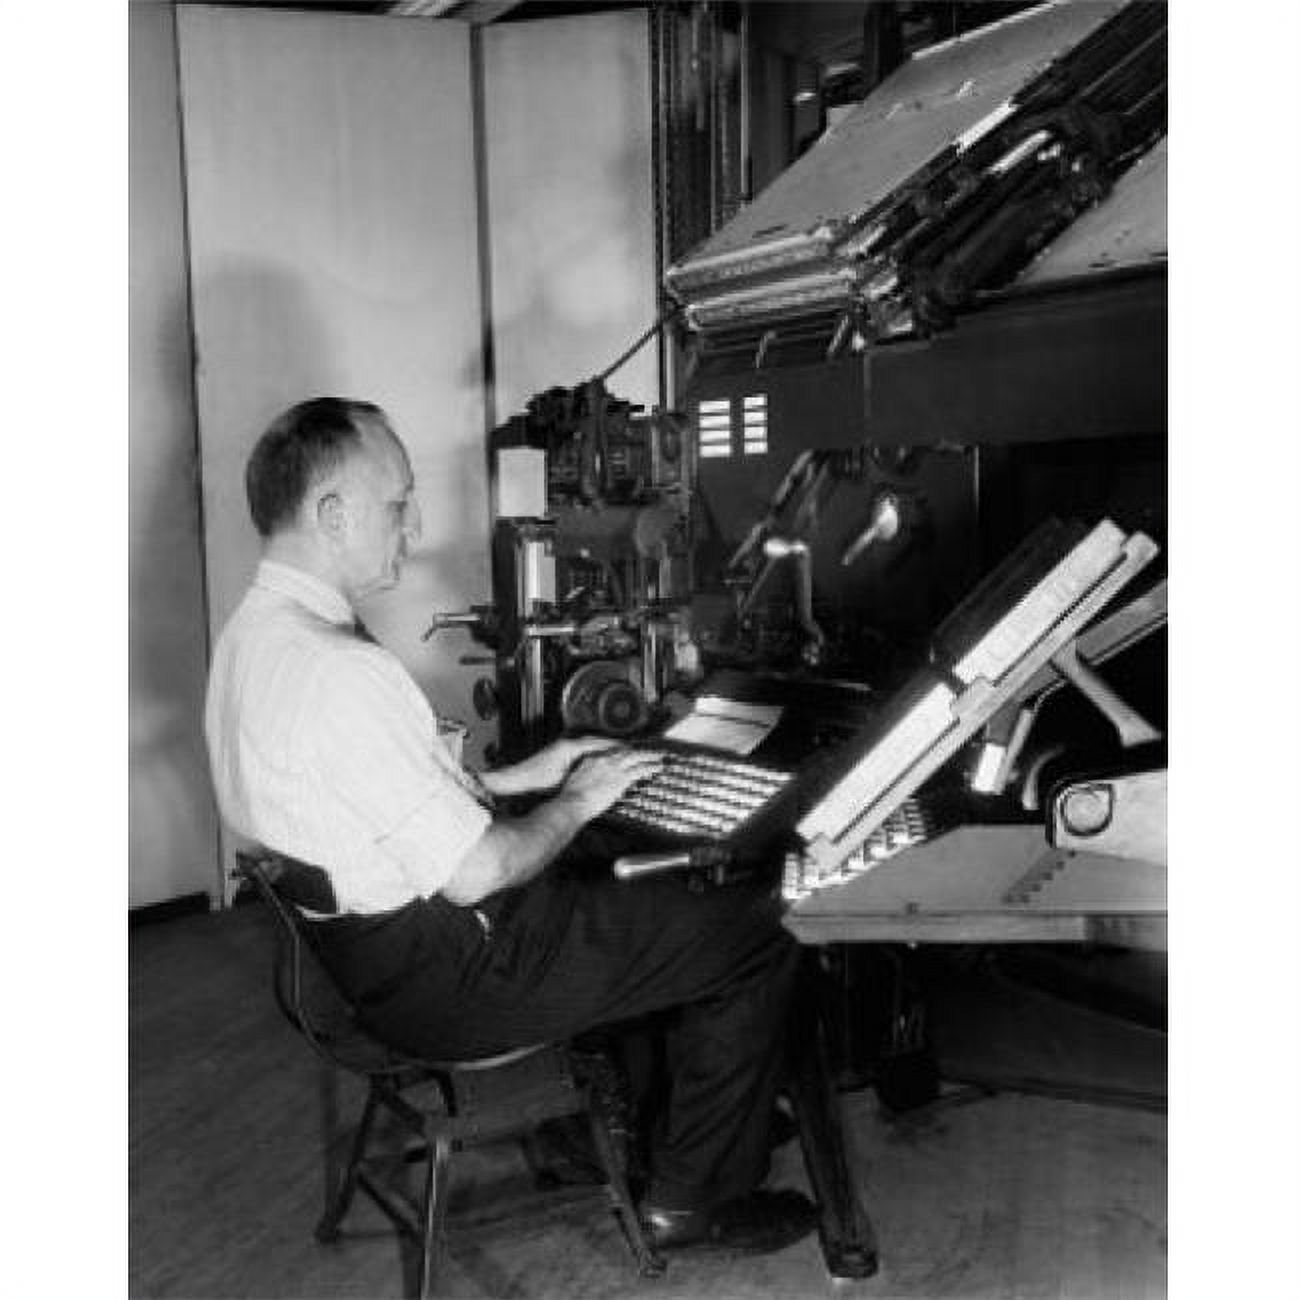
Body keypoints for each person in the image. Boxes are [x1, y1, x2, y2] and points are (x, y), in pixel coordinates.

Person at [205, 396, 817, 1254]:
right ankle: (694, 1198)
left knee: (608, 871)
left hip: (366, 969)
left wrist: (524, 778)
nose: (414, 527)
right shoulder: (337, 670)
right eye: (398, 504)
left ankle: (638, 1130)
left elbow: (361, 806)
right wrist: (577, 800)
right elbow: (478, 872)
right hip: (452, 984)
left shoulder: (253, 641)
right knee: (755, 928)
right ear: (331, 514)